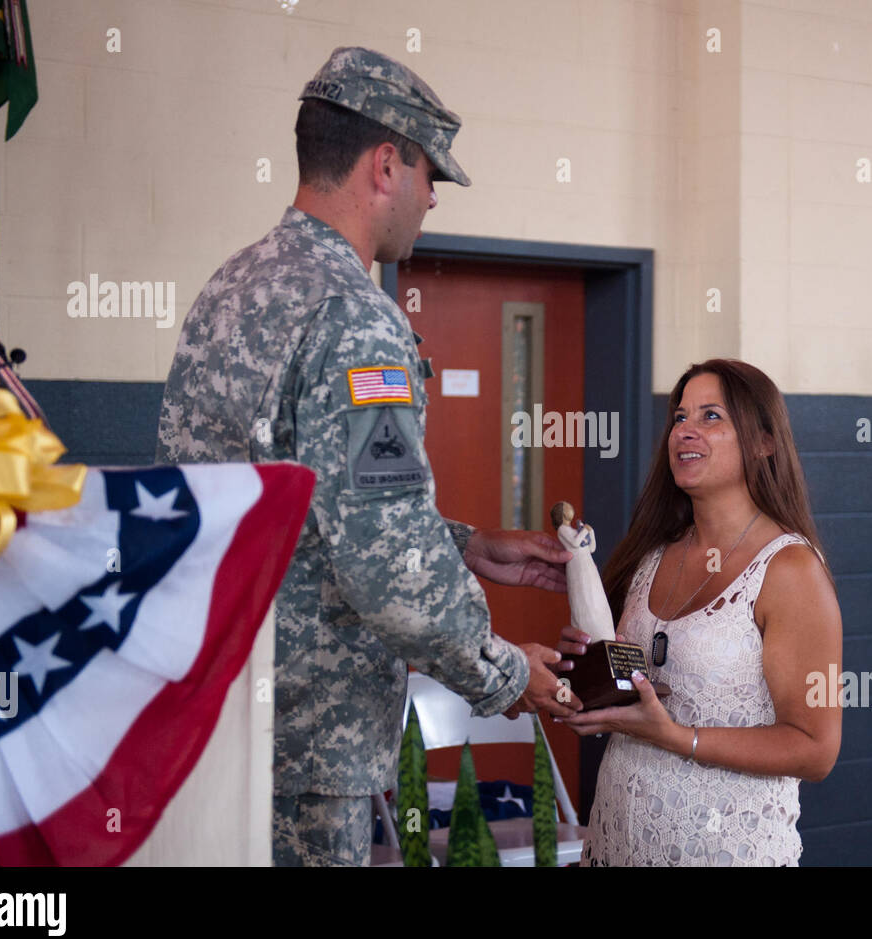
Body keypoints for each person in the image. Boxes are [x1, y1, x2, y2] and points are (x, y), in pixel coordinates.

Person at [156, 46, 581, 867]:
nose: (431, 199)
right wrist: (501, 671)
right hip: (313, 740)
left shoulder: (230, 289)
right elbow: (383, 567)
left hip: (217, 706)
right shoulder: (356, 316)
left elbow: (293, 501)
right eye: (431, 176)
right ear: (386, 164)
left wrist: (465, 545)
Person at [554, 359, 843, 866]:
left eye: (712, 417)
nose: (685, 430)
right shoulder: (650, 555)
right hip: (618, 842)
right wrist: (586, 681)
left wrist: (678, 737)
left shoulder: (790, 569)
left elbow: (815, 749)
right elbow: (633, 694)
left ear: (764, 442)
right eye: (680, 417)